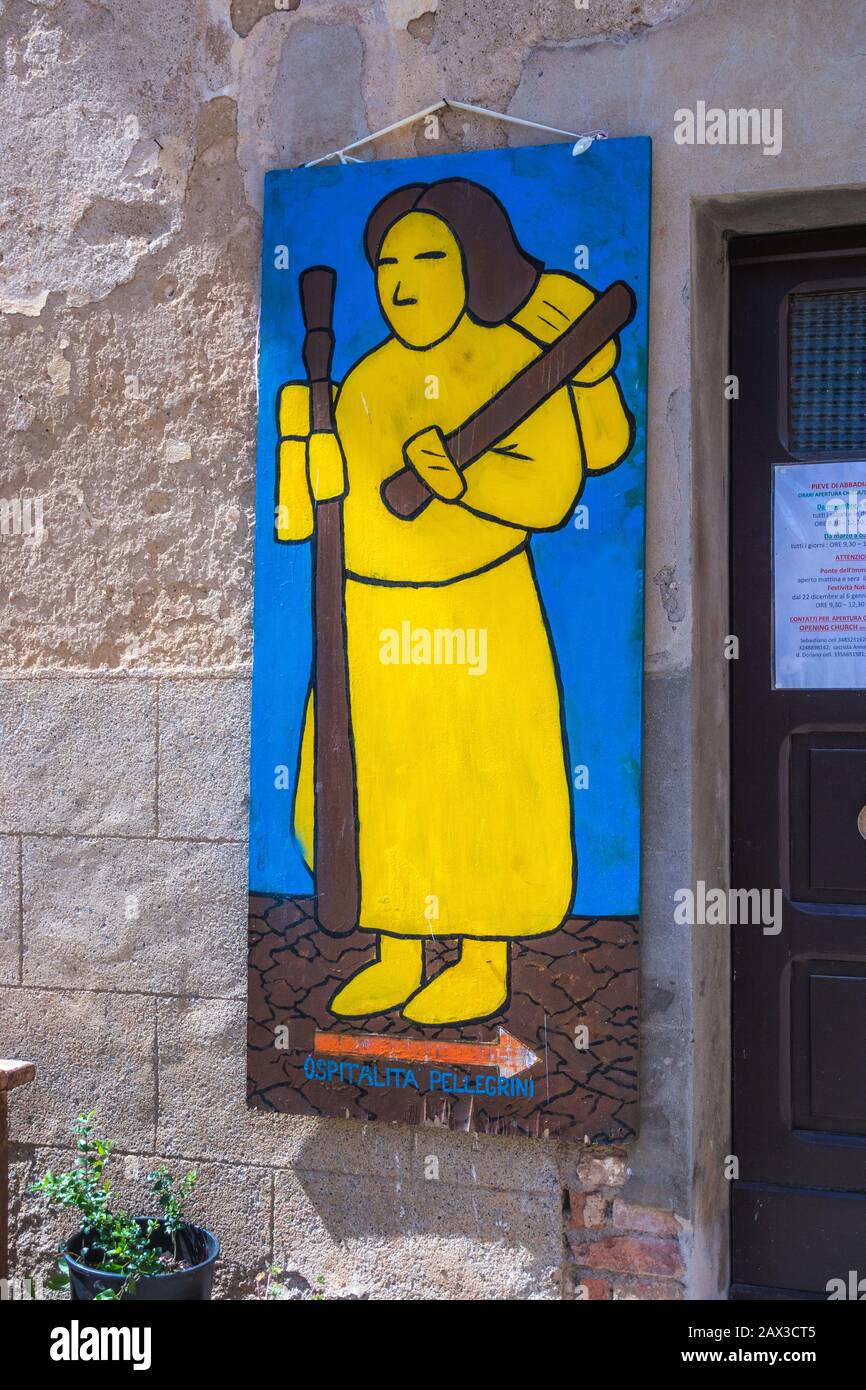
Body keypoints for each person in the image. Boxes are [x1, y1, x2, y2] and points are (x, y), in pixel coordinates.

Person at [276, 178, 633, 1025]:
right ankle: (396, 949)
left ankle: (482, 960)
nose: (403, 281)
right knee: (386, 790)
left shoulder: (516, 362)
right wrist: (307, 465)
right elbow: (306, 521)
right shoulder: (361, 380)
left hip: (479, 610)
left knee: (483, 791)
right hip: (370, 615)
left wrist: (463, 479)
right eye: (389, 263)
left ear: (472, 266)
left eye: (428, 258)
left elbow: (550, 490)